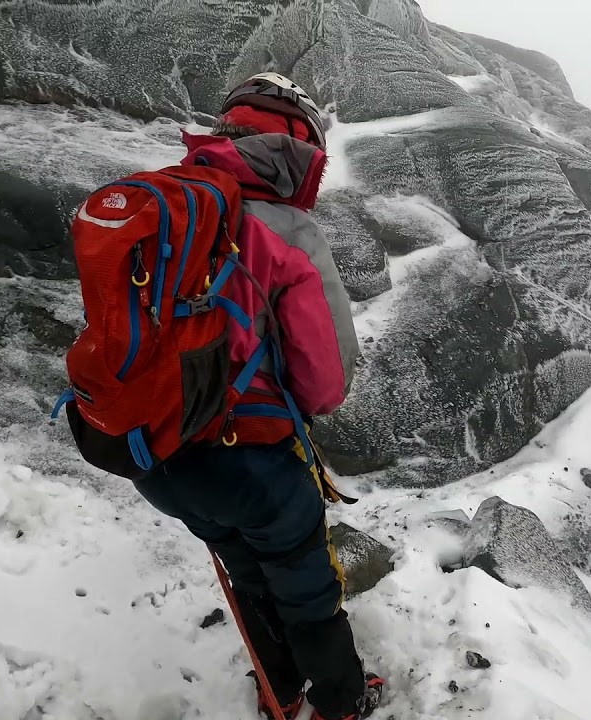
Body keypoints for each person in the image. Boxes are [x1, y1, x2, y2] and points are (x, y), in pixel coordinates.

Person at [127, 73, 384, 720]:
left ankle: (279, 694)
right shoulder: (287, 230)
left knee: (248, 572)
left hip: (153, 448)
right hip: (252, 460)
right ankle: (339, 704)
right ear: (297, 150)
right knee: (303, 585)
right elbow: (326, 386)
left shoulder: (161, 201)